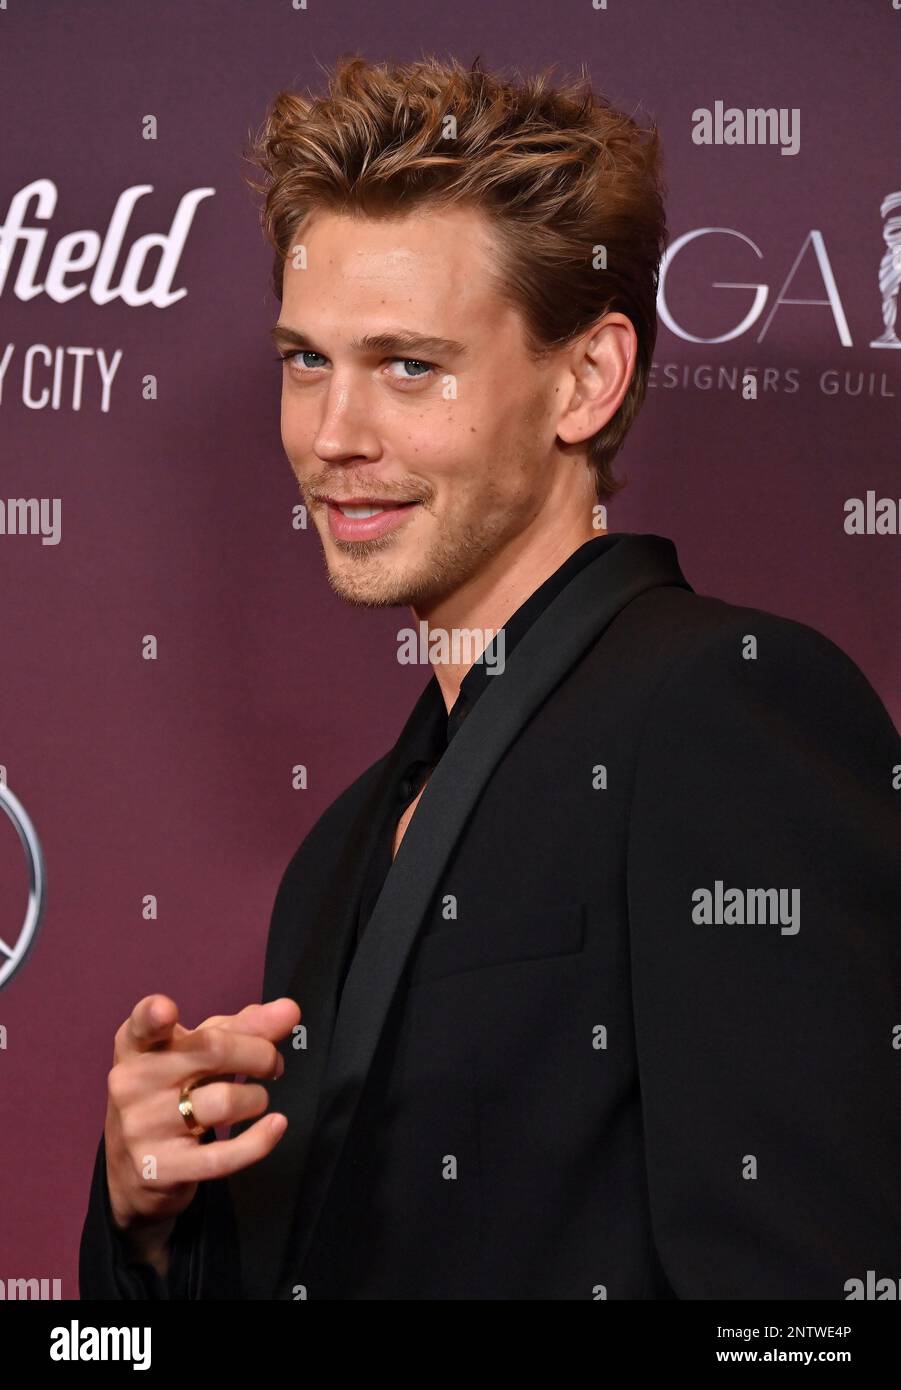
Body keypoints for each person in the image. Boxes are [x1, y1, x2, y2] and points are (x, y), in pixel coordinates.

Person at [79, 53, 901, 1300]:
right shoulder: (339, 850)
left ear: (587, 378)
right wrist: (144, 1219)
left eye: (409, 365)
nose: (334, 436)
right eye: (307, 361)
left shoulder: (721, 705)